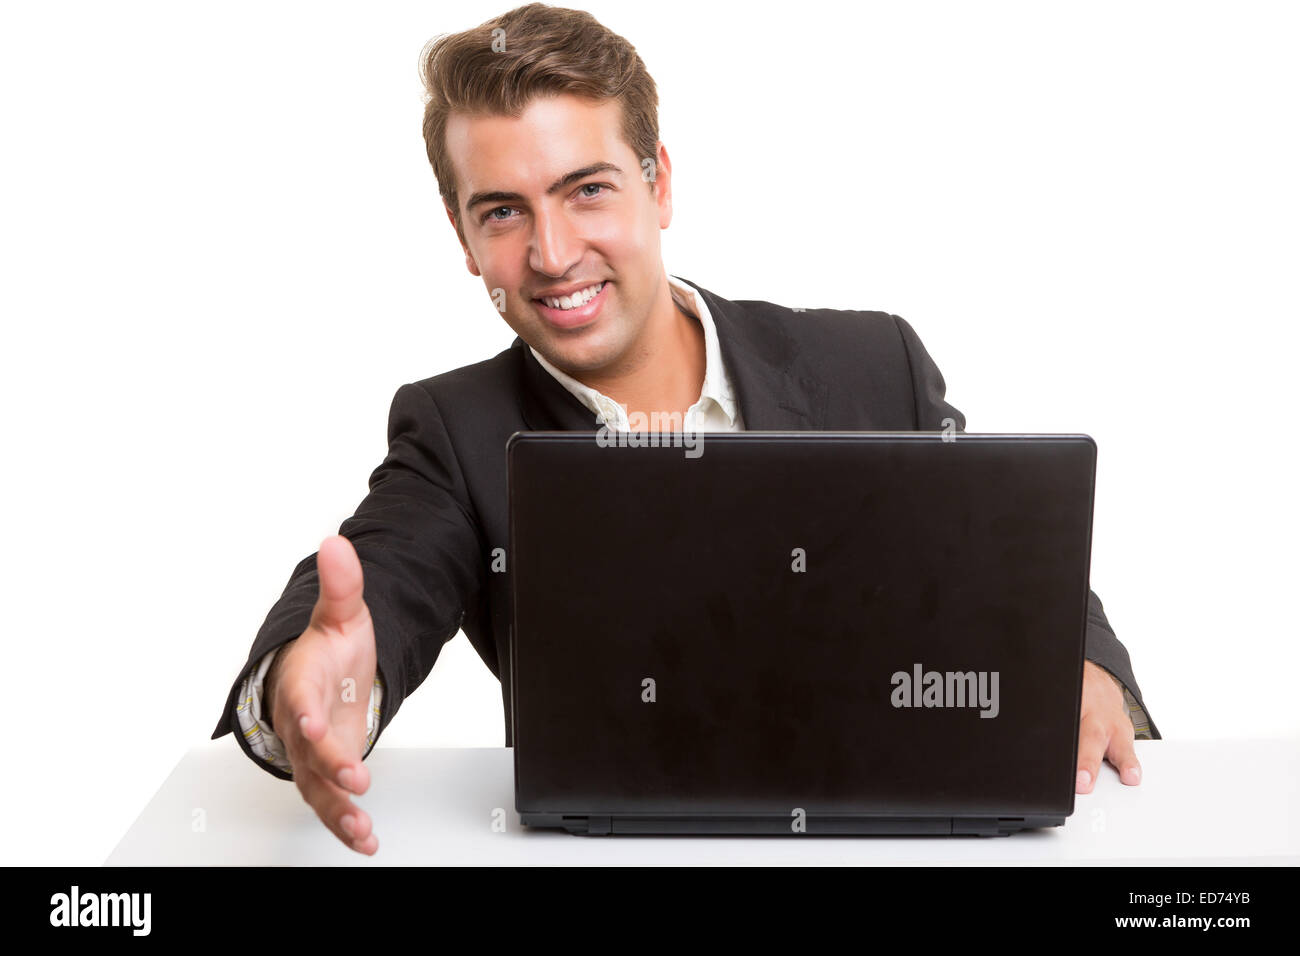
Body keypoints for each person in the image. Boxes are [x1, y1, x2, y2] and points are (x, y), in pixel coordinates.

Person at [211, 3, 1158, 856]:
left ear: (659, 185)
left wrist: (1087, 665)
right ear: (463, 238)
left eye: (588, 189)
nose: (551, 253)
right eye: (503, 211)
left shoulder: (873, 365)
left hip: (895, 845)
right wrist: (318, 681)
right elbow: (382, 570)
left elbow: (1005, 559)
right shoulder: (457, 430)